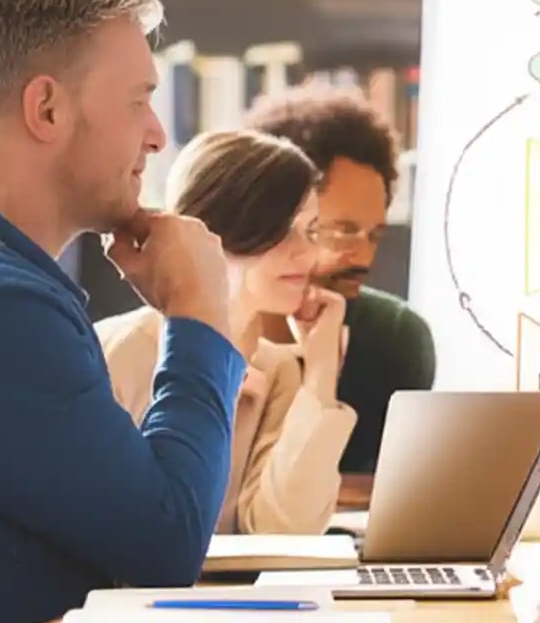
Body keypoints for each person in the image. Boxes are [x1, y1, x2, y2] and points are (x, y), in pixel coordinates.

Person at [0, 0, 245, 621]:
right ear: (48, 110)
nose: (157, 135)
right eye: (140, 101)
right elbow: (165, 547)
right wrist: (199, 317)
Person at [96, 130, 355, 535]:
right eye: (283, 230)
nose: (308, 254)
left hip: (229, 599)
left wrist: (321, 373)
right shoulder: (123, 354)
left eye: (312, 230)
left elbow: (283, 534)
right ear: (214, 230)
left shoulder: (280, 373)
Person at [242, 87, 436, 499]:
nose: (363, 256)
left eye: (374, 235)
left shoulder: (395, 338)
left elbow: (399, 494)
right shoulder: (193, 335)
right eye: (342, 231)